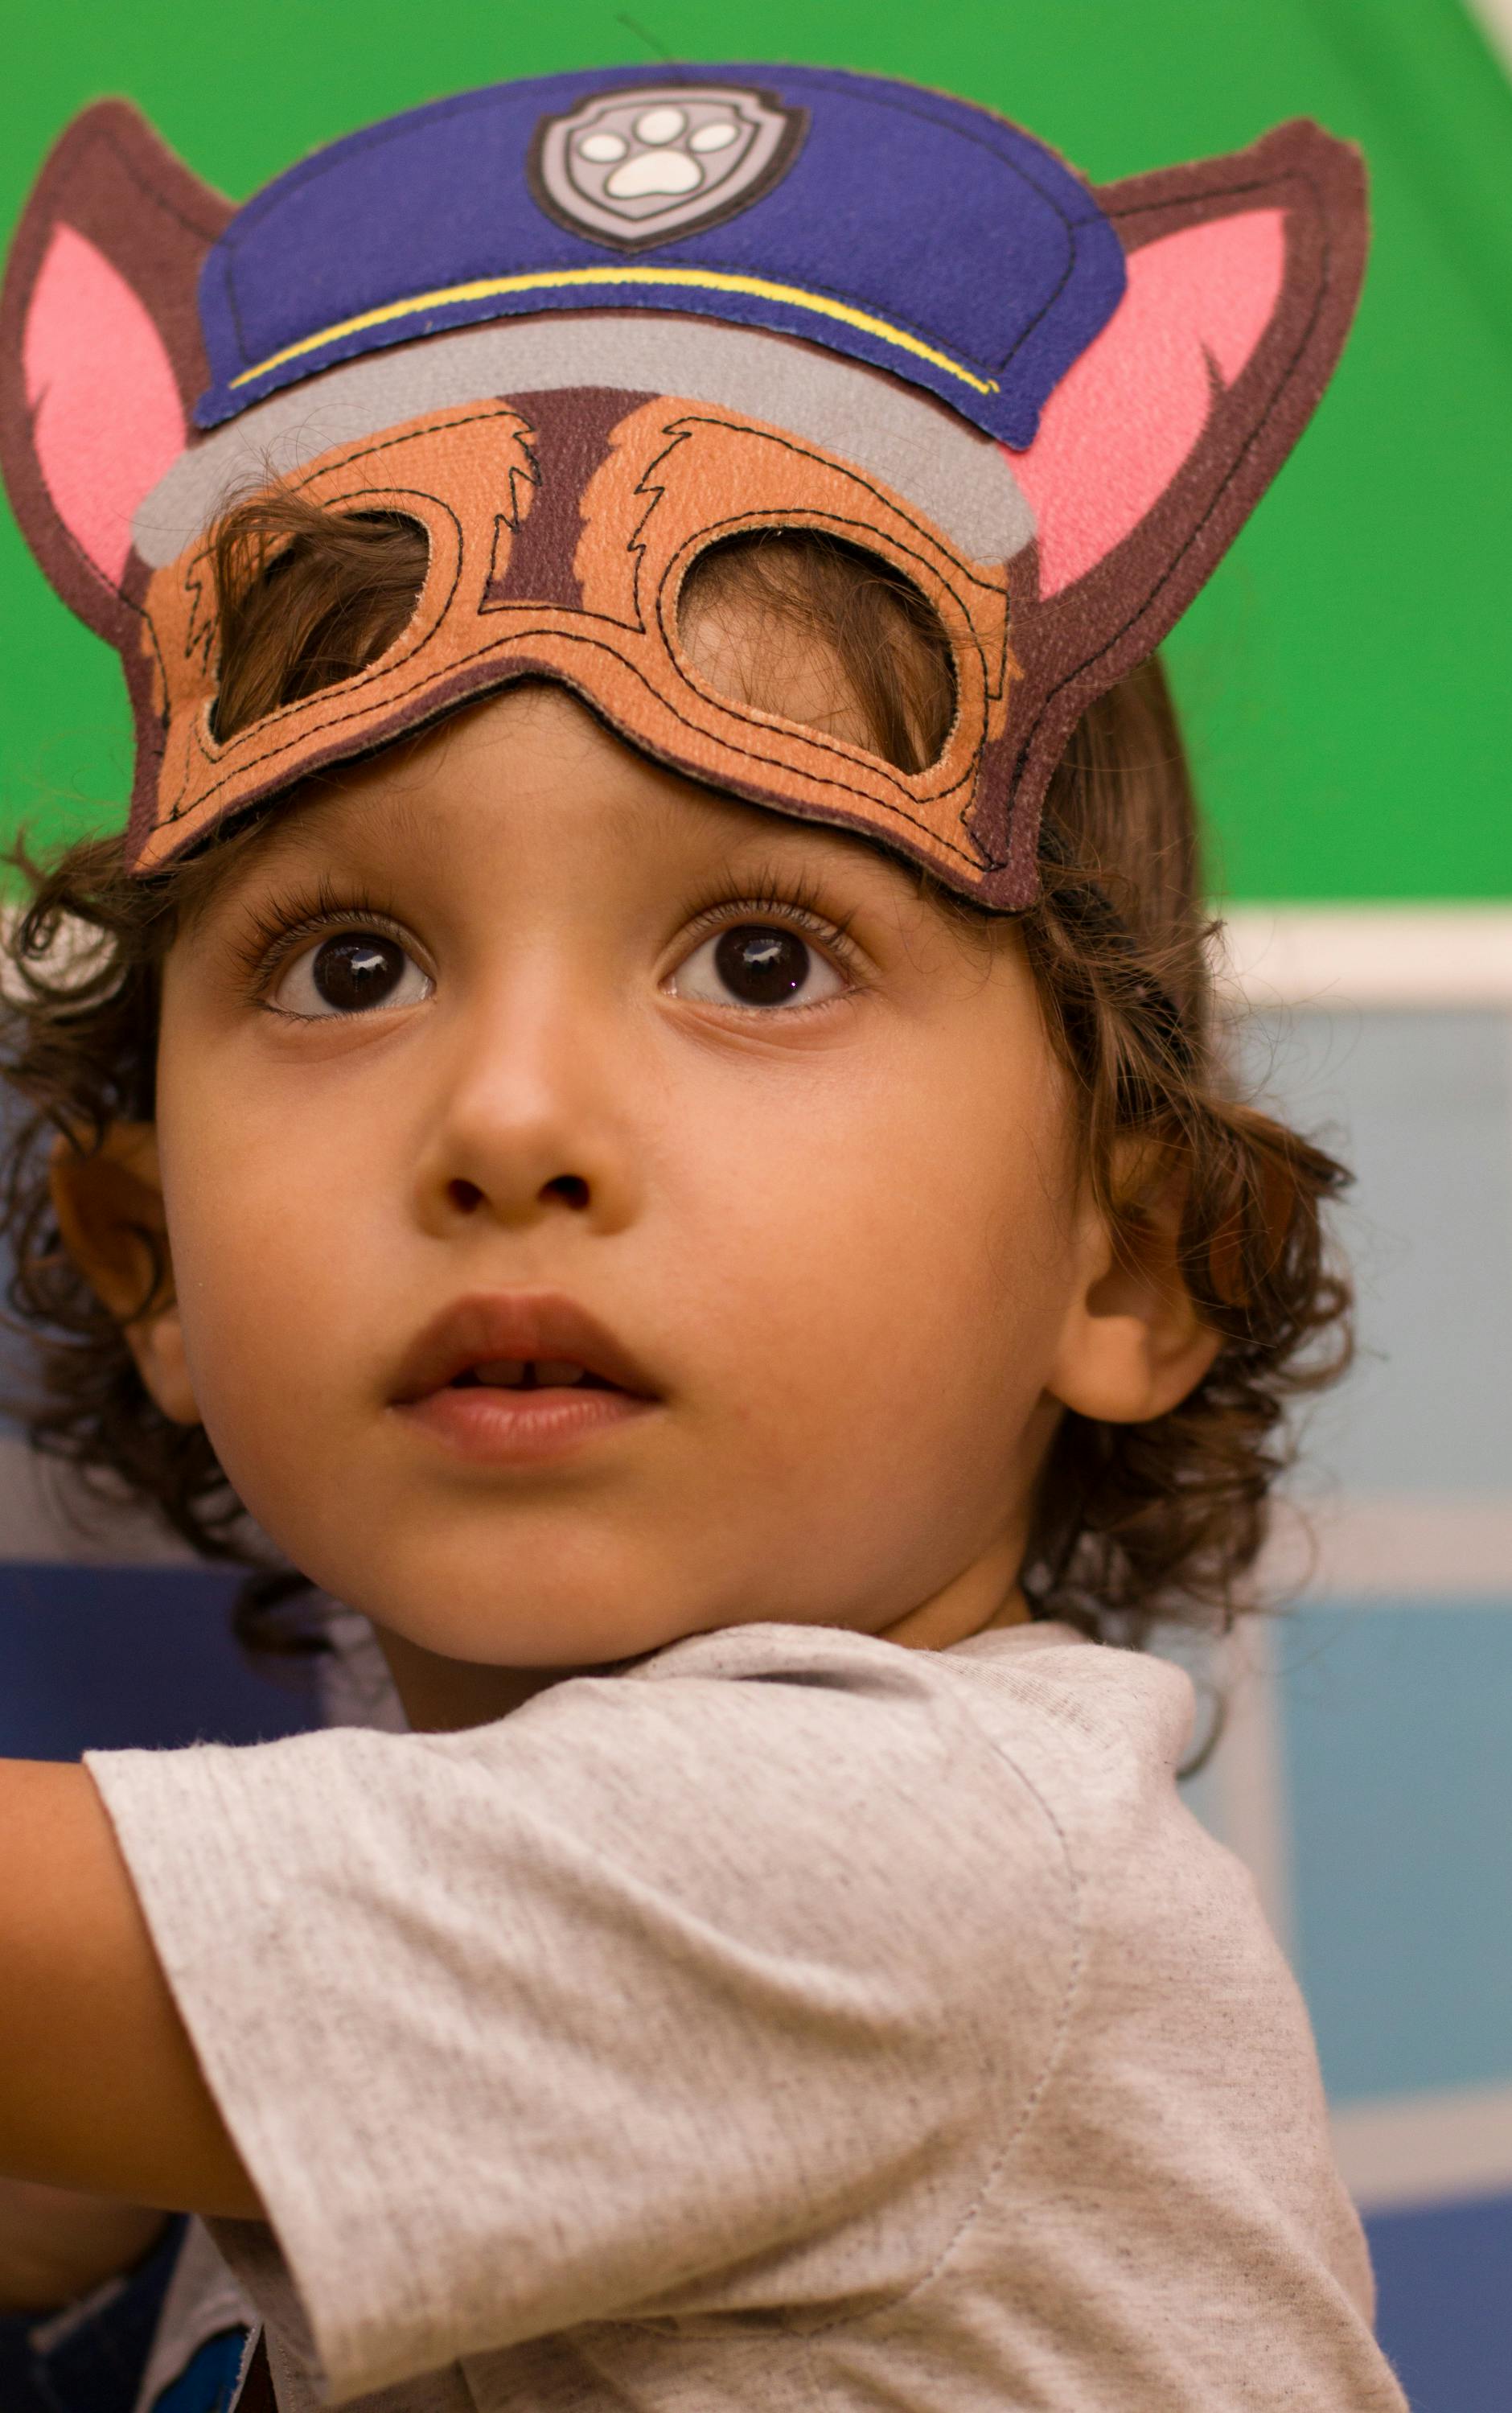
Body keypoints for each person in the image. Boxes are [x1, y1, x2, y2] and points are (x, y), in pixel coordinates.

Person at [0, 62, 1405, 2412]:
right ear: (143, 1254)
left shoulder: (902, 1866)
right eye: (353, 968)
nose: (514, 1120)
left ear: (1131, 1263)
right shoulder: (352, 1995)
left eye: (761, 959)